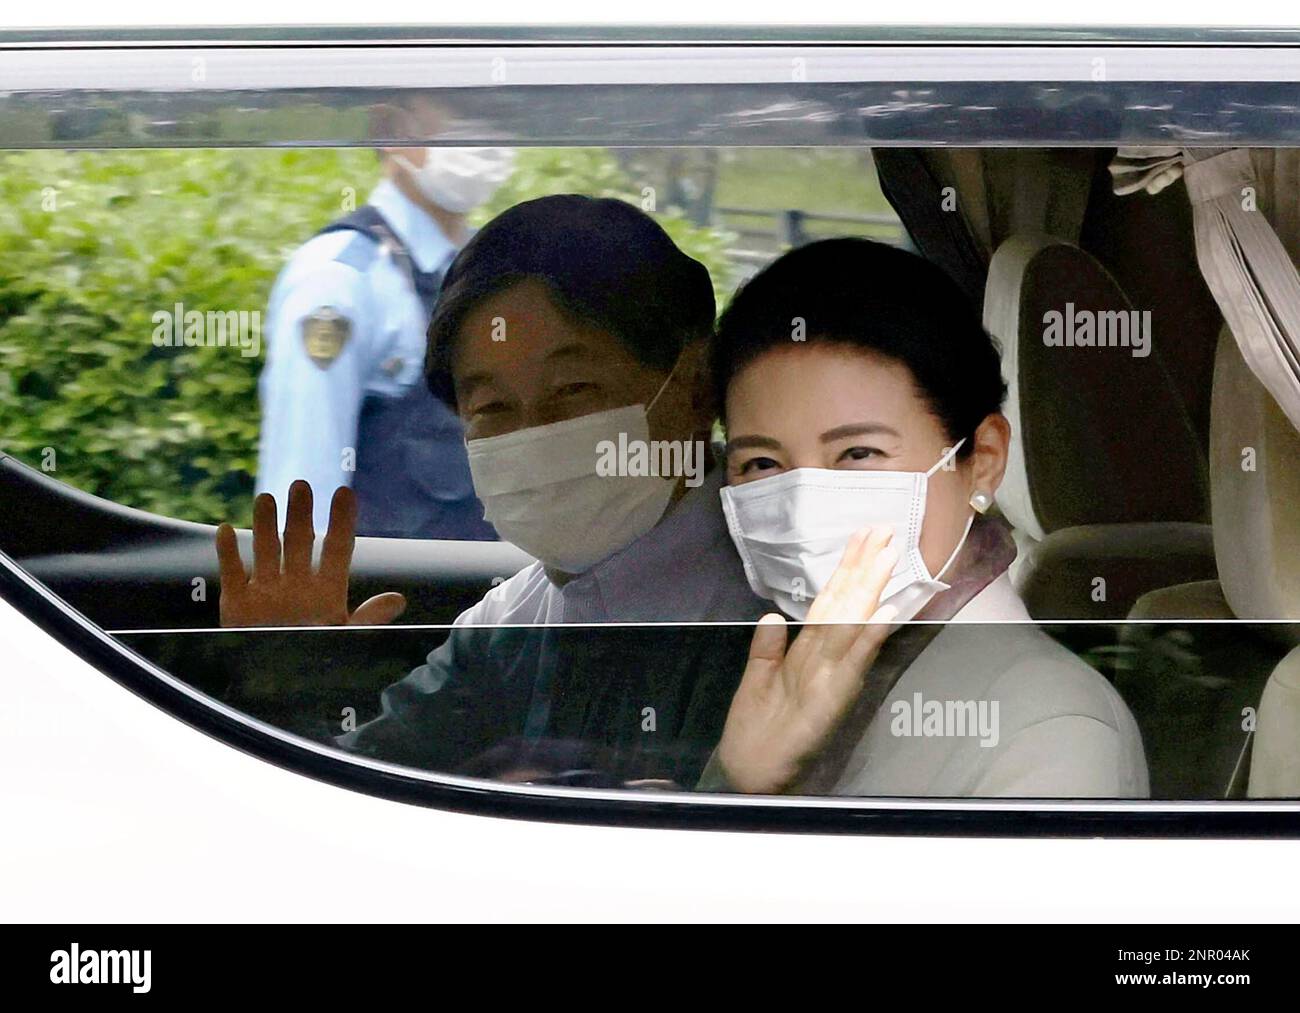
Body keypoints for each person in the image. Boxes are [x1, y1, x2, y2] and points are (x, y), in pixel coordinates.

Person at [217, 195, 767, 785]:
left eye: (574, 389)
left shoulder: (778, 609)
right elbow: (349, 790)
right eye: (493, 407)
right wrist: (280, 678)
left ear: (693, 386)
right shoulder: (506, 630)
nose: (532, 431)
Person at [699, 237, 1150, 798]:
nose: (800, 502)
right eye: (762, 462)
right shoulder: (776, 688)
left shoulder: (1053, 727)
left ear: (982, 462)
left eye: (858, 453)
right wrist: (743, 778)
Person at [255, 97, 513, 539]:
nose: (484, 132)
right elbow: (302, 498)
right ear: (391, 126)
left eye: (495, 111)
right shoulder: (337, 280)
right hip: (393, 604)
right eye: (462, 106)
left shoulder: (497, 270)